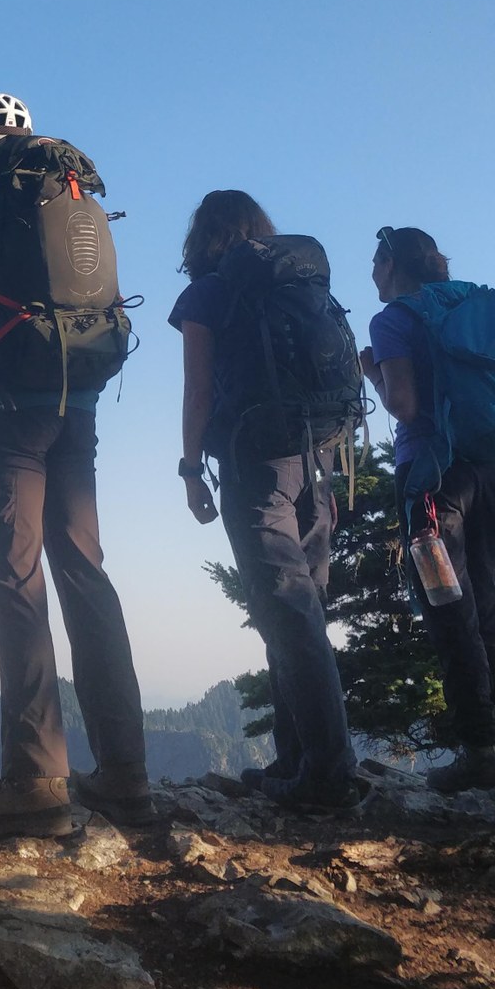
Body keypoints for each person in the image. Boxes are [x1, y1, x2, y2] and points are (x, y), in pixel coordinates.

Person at [0, 93, 150, 839]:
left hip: (2, 413)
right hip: (76, 410)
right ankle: (125, 775)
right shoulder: (72, 197)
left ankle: (35, 782)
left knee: (16, 582)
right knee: (85, 572)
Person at [172, 191, 361, 812]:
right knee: (300, 604)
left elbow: (198, 389)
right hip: (320, 456)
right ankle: (298, 756)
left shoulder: (207, 293)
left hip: (256, 462)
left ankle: (328, 774)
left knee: (285, 607)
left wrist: (191, 466)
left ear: (203, 235)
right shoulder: (295, 283)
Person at [362, 225, 495, 791]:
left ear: (390, 264)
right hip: (488, 470)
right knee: (486, 602)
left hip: (432, 483)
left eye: (375, 263)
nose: (373, 276)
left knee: (445, 604)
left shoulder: (394, 319)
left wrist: (373, 371)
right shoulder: (468, 304)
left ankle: (480, 749)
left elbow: (404, 405)